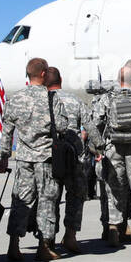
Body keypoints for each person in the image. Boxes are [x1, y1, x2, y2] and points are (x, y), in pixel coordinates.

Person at [0, 57, 60, 262]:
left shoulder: (15, 99)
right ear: (43, 74)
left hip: (24, 158)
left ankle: (14, 244)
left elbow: (7, 131)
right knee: (46, 201)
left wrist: (4, 156)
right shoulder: (51, 98)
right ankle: (44, 245)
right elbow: (61, 127)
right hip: (45, 157)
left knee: (21, 200)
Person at [92, 60, 131, 247]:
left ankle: (113, 230)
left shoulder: (107, 97)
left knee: (114, 188)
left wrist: (100, 146)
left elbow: (97, 122)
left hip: (114, 148)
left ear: (119, 80)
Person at [46, 66, 88, 252]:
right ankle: (70, 235)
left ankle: (48, 240)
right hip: (74, 158)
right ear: (60, 80)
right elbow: (90, 126)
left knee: (50, 198)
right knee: (76, 196)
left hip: (50, 157)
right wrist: (99, 145)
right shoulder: (75, 100)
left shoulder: (43, 101)